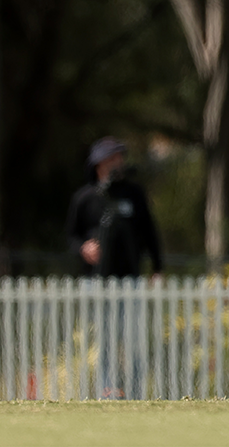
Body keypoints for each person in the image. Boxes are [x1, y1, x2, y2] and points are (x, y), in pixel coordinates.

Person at [66, 136, 163, 399]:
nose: (117, 163)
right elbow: (71, 237)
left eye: (119, 157)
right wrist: (84, 248)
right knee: (104, 339)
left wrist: (157, 267)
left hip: (129, 276)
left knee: (132, 338)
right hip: (96, 280)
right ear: (98, 164)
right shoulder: (85, 198)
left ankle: (134, 389)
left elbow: (149, 231)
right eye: (111, 158)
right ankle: (106, 389)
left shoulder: (134, 194)